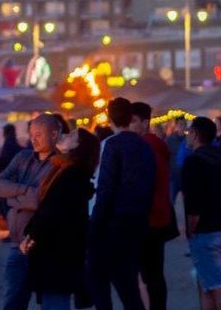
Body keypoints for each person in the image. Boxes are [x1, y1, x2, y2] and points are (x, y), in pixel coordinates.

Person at [88, 98, 155, 310]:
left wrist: (95, 224)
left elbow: (106, 188)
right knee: (128, 285)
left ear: (109, 118)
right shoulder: (145, 146)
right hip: (137, 221)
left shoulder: (112, 145)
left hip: (112, 224)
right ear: (131, 117)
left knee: (98, 278)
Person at [21, 128, 98, 310]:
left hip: (58, 249)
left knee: (55, 299)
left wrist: (32, 235)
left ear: (78, 147)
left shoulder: (72, 174)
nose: (65, 136)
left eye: (72, 136)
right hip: (57, 247)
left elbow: (53, 210)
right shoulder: (63, 169)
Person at [0, 113, 61, 310]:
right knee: (13, 298)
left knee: (50, 300)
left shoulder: (59, 164)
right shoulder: (23, 157)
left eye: (39, 134)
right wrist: (24, 190)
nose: (33, 139)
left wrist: (14, 198)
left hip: (44, 245)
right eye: (31, 134)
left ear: (54, 134)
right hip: (17, 244)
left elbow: (42, 200)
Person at [183, 116, 221, 310]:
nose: (187, 136)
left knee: (217, 290)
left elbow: (193, 204)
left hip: (207, 233)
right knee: (208, 287)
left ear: (195, 134)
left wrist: (191, 231)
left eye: (189, 132)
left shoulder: (194, 162)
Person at [129, 102, 176, 310]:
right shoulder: (156, 145)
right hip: (158, 217)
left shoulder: (146, 147)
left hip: (149, 218)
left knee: (149, 275)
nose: (129, 126)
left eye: (132, 121)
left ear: (145, 123)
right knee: (154, 273)